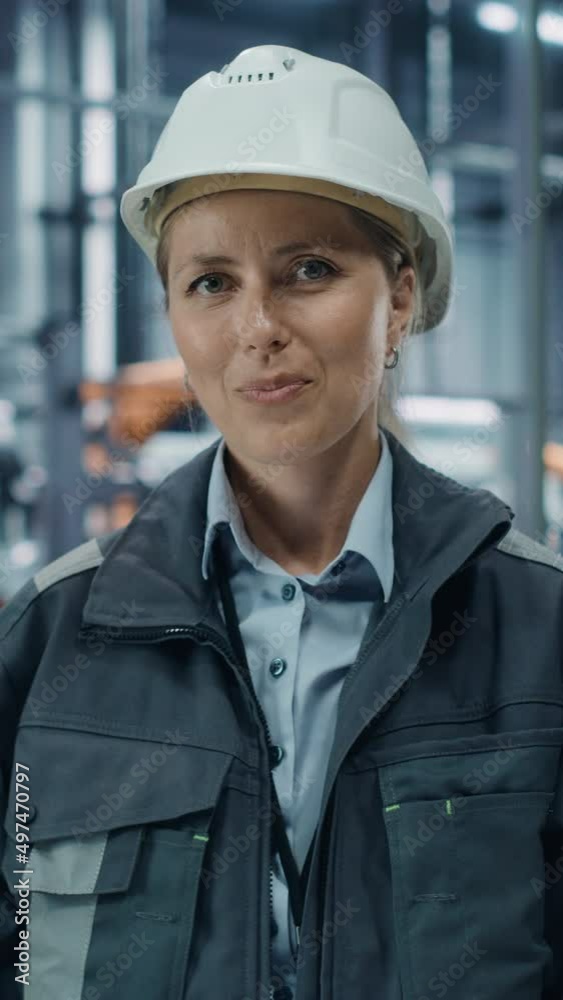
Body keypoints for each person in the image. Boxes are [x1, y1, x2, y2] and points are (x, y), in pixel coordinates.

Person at [1, 43, 563, 1000]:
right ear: (176, 319)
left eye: (308, 269)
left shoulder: (540, 635)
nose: (256, 326)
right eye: (210, 283)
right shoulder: (51, 642)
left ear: (398, 299)